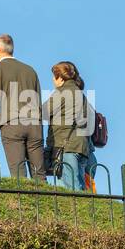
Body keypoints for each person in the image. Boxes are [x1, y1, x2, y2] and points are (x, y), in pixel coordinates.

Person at [0, 34, 47, 182]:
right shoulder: (30, 70)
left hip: (12, 124)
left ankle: (24, 204)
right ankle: (48, 203)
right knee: (39, 175)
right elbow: (38, 101)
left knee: (19, 175)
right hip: (34, 125)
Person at [44, 61, 95, 191]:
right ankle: (86, 210)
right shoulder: (81, 94)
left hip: (67, 147)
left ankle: (77, 211)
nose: (52, 79)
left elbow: (42, 112)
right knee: (80, 186)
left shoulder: (63, 92)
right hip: (82, 148)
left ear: (60, 77)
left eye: (54, 76)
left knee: (70, 189)